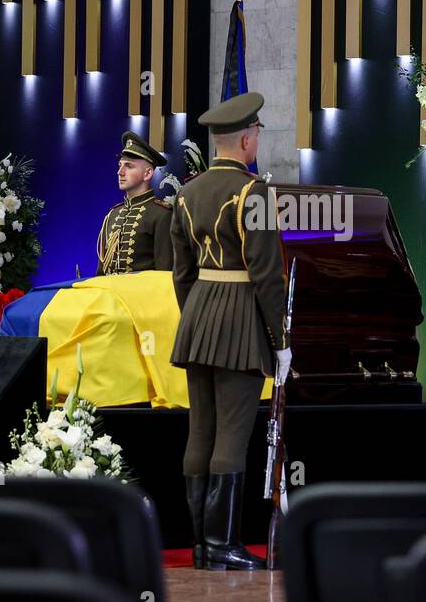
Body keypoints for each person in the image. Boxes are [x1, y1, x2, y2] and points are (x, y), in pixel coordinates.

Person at [169, 92, 291, 570]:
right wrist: (280, 339)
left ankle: (202, 546)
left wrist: (197, 314)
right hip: (240, 319)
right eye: (256, 133)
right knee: (233, 436)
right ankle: (223, 546)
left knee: (200, 430)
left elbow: (181, 273)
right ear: (245, 138)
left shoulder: (184, 193)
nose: (256, 139)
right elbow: (265, 273)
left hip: (197, 316)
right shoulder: (254, 192)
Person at [97, 131, 174, 275]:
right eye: (120, 165)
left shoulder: (162, 215)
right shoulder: (112, 215)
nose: (120, 172)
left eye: (129, 166)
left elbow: (165, 275)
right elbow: (101, 273)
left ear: (148, 173)